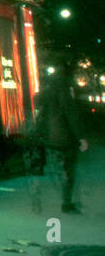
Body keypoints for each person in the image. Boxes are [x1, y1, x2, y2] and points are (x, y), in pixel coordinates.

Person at [34, 54, 88, 213]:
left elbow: (36, 101)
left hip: (50, 135)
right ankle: (67, 202)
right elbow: (71, 113)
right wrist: (81, 137)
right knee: (69, 170)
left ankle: (65, 199)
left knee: (58, 169)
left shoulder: (47, 85)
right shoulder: (65, 85)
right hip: (65, 137)